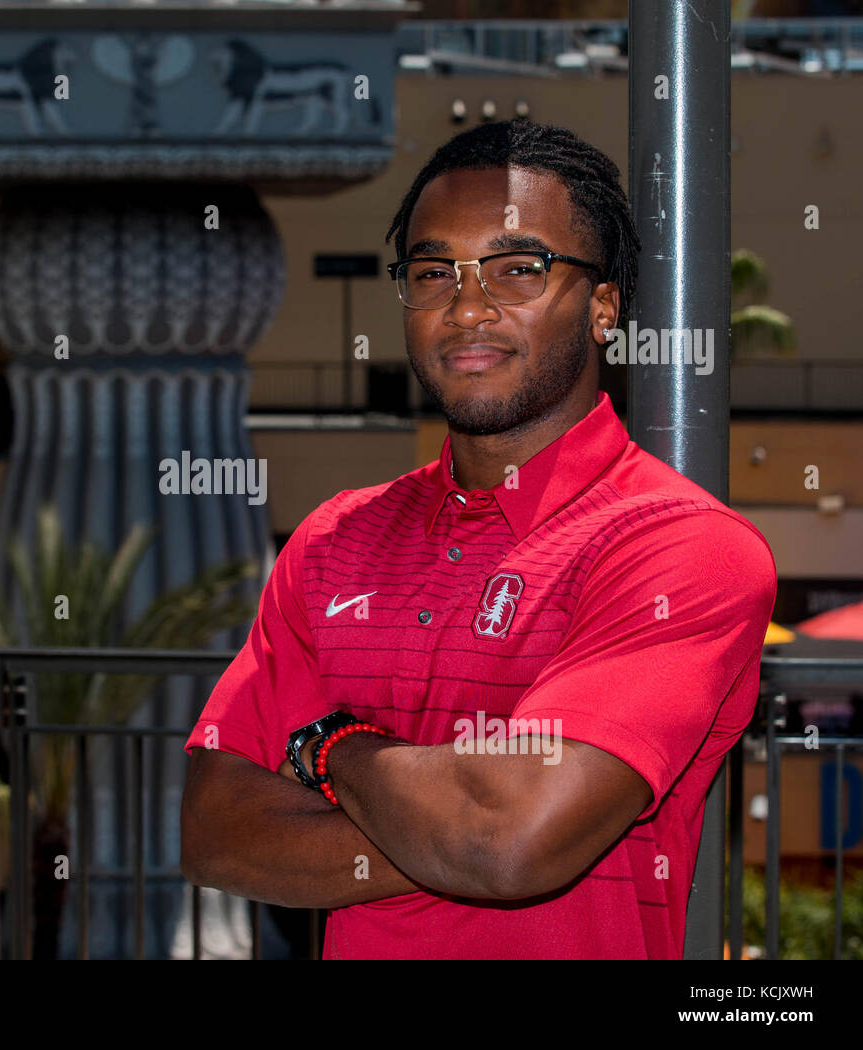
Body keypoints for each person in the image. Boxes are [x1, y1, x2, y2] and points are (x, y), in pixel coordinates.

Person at [178, 117, 778, 959]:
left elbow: (509, 843)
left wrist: (330, 746)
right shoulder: (333, 539)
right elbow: (213, 831)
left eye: (518, 269)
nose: (466, 307)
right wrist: (452, 819)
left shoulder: (679, 548)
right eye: (433, 273)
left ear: (604, 305)